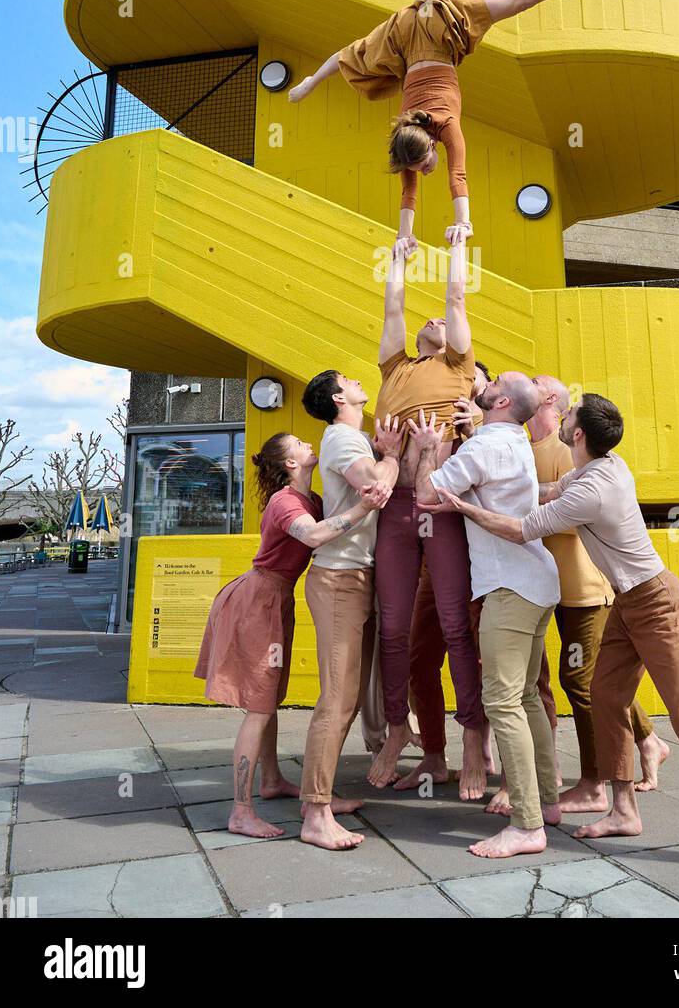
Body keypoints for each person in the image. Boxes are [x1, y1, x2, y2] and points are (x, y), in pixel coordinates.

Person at [433, 392, 679, 885]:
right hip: (627, 605)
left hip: (659, 605)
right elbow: (546, 493)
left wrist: (463, 505)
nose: (560, 409)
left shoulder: (592, 488)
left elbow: (521, 528)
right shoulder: (601, 467)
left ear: (575, 435)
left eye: (568, 411)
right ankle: (622, 810)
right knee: (604, 695)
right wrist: (495, 476)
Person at [287, 0, 651, 248]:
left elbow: (456, 178)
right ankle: (311, 81)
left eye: (425, 164)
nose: (425, 171)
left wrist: (464, 222)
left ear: (431, 146)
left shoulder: (445, 125)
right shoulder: (403, 138)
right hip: (411, 30)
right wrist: (404, 236)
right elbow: (408, 192)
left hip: (439, 29)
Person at [194, 431, 384, 840]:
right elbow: (316, 536)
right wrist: (366, 505)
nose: (308, 444)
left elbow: (331, 520)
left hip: (275, 599)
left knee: (270, 698)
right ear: (291, 464)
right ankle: (241, 811)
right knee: (259, 706)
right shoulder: (285, 501)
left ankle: (273, 780)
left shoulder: (311, 500)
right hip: (256, 601)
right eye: (299, 444)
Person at [412, 371, 563, 860]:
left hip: (508, 586)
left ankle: (526, 824)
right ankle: (548, 801)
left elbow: (426, 498)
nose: (488, 380)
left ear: (497, 401)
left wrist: (430, 448)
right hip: (539, 581)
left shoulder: (479, 449)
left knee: (502, 702)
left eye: (494, 381)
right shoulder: (513, 441)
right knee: (527, 697)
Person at [366, 237, 487, 797]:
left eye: (443, 320)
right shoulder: (395, 366)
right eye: (429, 318)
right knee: (392, 627)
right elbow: (393, 308)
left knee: (457, 623)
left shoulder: (459, 363)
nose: (436, 317)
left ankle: (471, 735)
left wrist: (455, 248)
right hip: (396, 508)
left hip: (439, 506)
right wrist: (397, 262)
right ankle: (397, 729)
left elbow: (457, 295)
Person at [517, 374, 669, 815]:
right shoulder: (529, 449)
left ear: (548, 400)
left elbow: (569, 514)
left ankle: (595, 784)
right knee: (597, 680)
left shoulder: (573, 453)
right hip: (553, 590)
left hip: (585, 591)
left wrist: (521, 511)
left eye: (533, 384)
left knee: (580, 682)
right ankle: (648, 741)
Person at [298, 372, 405, 850]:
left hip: (355, 577)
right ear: (339, 398)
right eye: (349, 380)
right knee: (336, 699)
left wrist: (384, 455)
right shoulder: (343, 439)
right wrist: (393, 456)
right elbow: (375, 490)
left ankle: (321, 795)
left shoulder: (351, 437)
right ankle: (315, 814)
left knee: (349, 698)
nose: (362, 381)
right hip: (339, 579)